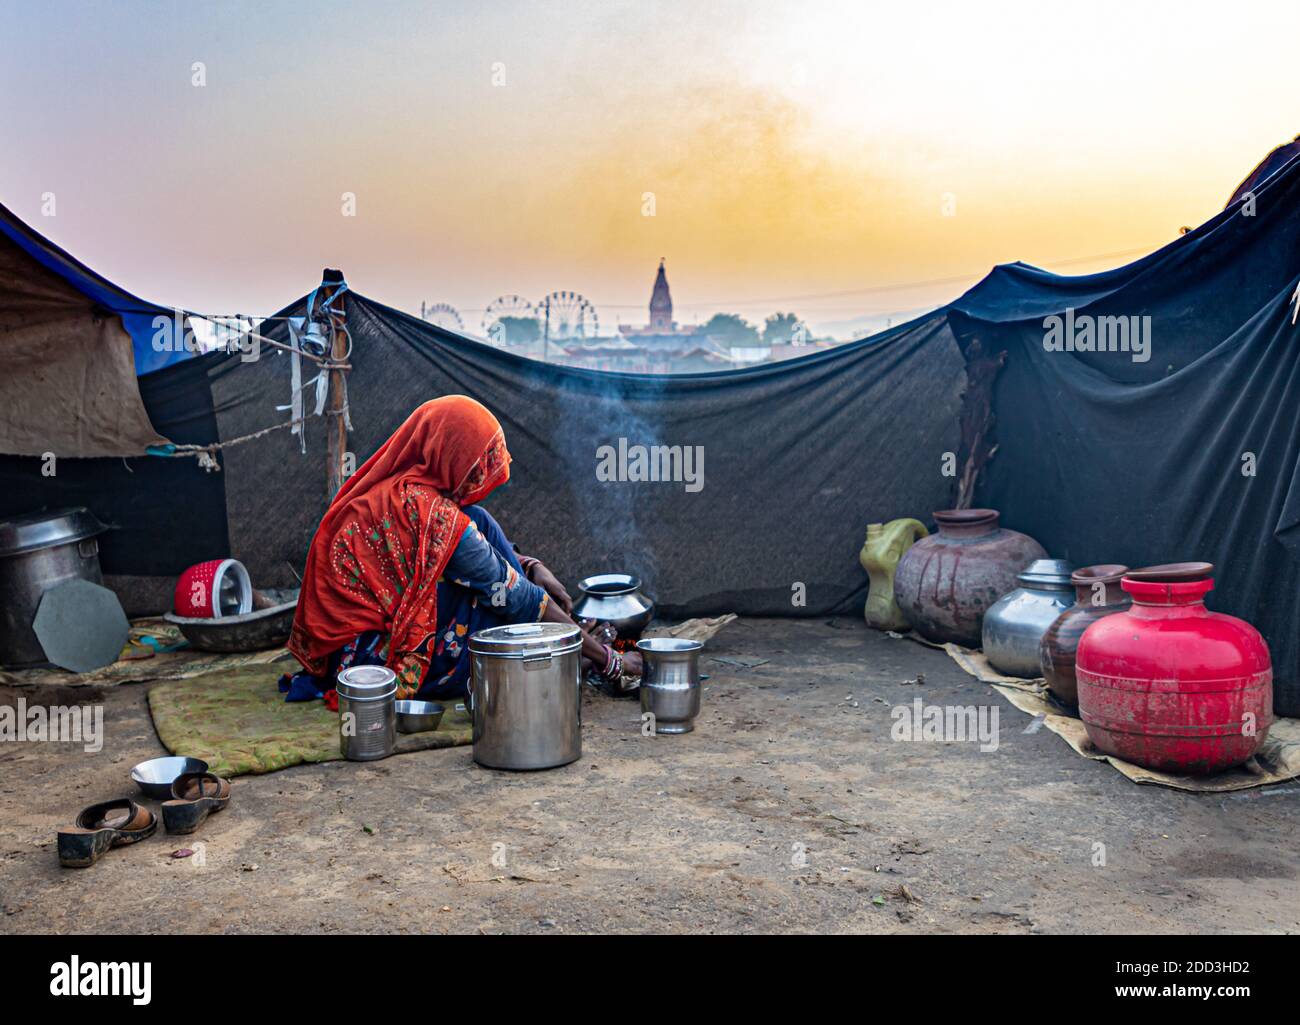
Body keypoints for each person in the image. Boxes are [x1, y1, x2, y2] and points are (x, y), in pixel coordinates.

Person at [282, 395, 639, 702]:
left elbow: (480, 549)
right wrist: (613, 662)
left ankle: (568, 641)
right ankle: (572, 652)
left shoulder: (399, 488)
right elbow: (512, 595)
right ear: (448, 454)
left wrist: (531, 565)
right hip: (363, 664)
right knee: (496, 617)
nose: (478, 480)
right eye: (475, 467)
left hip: (340, 645)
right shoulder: (430, 516)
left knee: (477, 520)